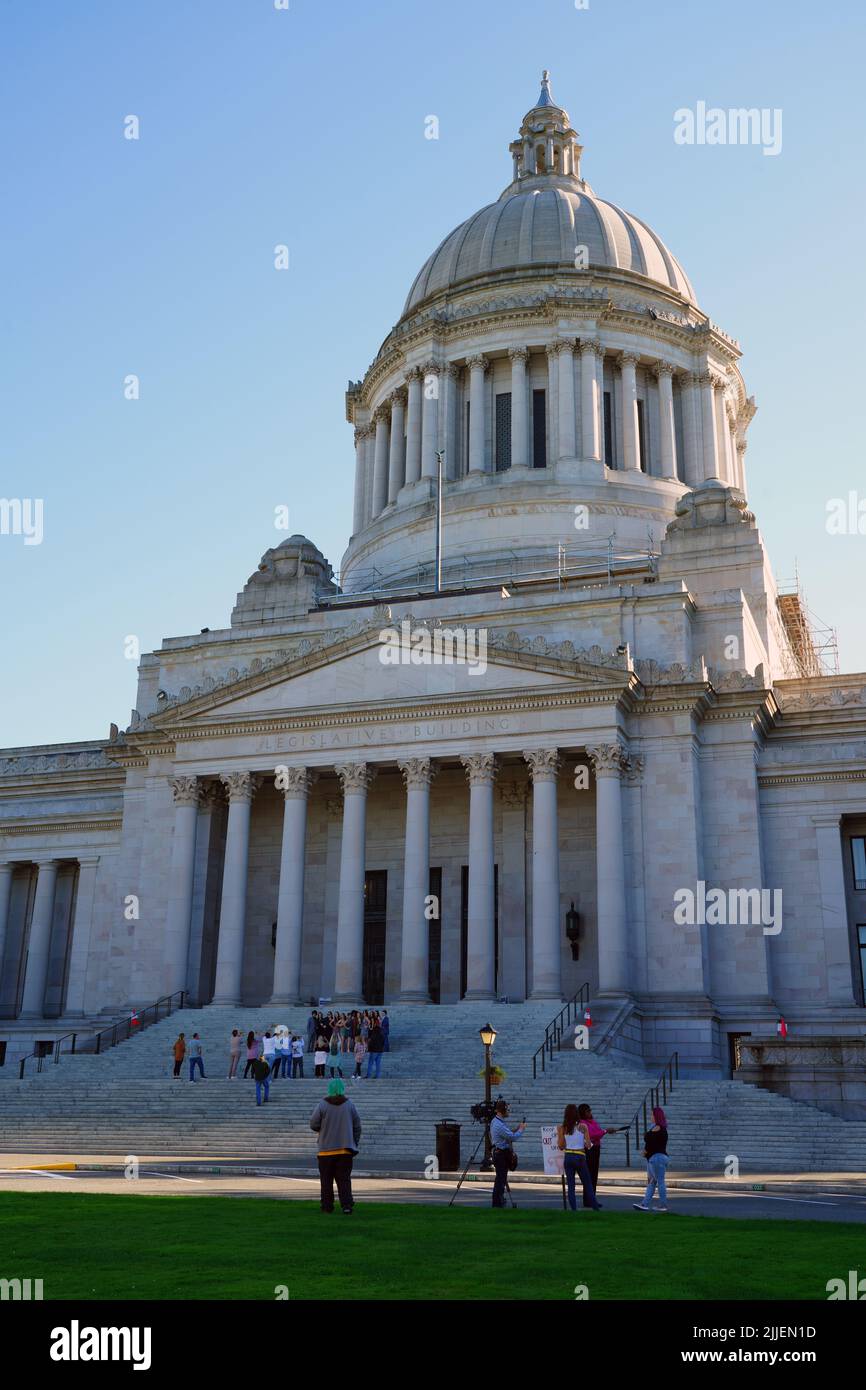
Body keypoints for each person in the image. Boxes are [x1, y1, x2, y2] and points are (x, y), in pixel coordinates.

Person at [310, 1078, 362, 1214]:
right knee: (344, 1179)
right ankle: (346, 1205)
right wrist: (353, 1142)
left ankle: (327, 1206)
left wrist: (324, 1128)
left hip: (326, 1151)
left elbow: (313, 1124)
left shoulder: (322, 1104)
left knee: (326, 1181)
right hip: (345, 1150)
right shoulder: (349, 1105)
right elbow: (357, 1126)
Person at [557, 1104, 602, 1211]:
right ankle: (595, 1207)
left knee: (571, 1186)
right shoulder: (582, 1127)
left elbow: (561, 1146)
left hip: (568, 1156)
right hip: (580, 1156)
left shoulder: (562, 1128)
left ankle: (574, 1210)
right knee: (587, 1183)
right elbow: (589, 1145)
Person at [578, 1103, 620, 1207]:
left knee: (594, 1175)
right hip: (589, 1150)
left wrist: (605, 1131)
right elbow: (592, 1136)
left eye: (590, 1110)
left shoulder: (592, 1122)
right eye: (588, 1111)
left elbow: (598, 1132)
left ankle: (591, 1200)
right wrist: (605, 1131)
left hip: (596, 1149)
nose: (590, 1113)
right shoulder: (582, 1123)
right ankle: (589, 1200)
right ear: (583, 1113)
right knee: (590, 1175)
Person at [633, 1107, 669, 1212]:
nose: (650, 1117)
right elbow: (651, 1143)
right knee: (651, 1182)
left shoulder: (657, 1128)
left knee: (659, 1181)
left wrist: (645, 1151)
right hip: (655, 1158)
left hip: (656, 1158)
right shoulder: (659, 1128)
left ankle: (663, 1205)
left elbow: (651, 1143)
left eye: (652, 1115)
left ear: (656, 1116)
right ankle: (644, 1204)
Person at [490, 1099, 525, 1208]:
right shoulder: (498, 1124)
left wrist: (516, 1129)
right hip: (501, 1154)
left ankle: (498, 1201)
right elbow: (512, 1137)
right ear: (502, 1110)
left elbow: (508, 1134)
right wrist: (521, 1130)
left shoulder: (496, 1121)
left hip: (500, 1153)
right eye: (507, 1109)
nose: (509, 1111)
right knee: (501, 1180)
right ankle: (497, 1203)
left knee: (500, 1179)